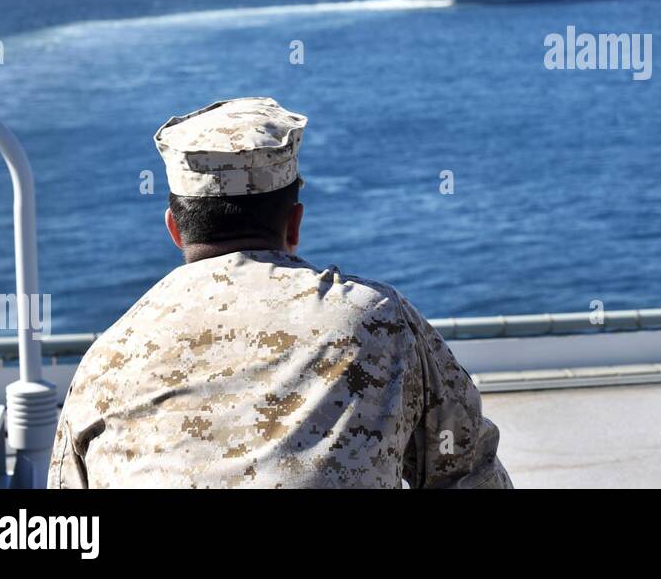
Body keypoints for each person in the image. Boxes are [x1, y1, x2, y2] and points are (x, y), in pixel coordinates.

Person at [49, 96, 511, 488]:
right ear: (295, 222)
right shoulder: (378, 319)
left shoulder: (106, 360)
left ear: (174, 228)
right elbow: (470, 473)